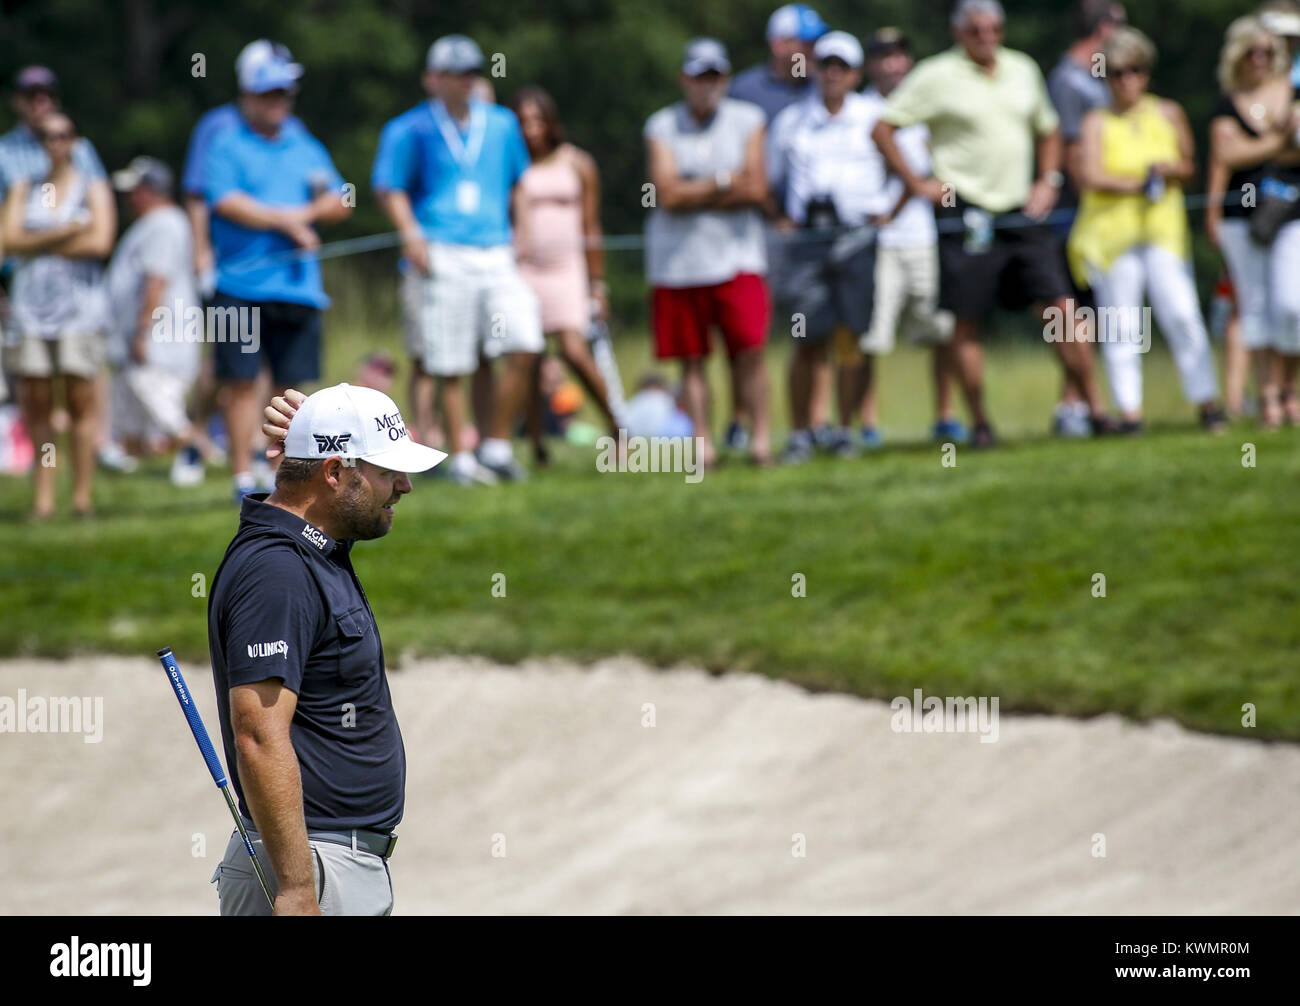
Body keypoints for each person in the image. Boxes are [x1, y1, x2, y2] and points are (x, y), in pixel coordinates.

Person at [208, 382, 446, 915]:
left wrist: (315, 419)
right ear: (336, 473)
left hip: (329, 866)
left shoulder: (311, 549)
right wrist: (296, 888)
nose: (405, 486)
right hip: (311, 869)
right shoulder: (279, 571)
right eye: (388, 473)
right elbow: (258, 734)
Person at [872, 0, 1110, 448]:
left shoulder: (1022, 69)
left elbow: (1049, 128)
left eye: (994, 28)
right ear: (959, 32)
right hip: (966, 210)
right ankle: (981, 423)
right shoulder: (935, 75)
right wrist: (919, 184)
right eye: (977, 29)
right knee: (967, 321)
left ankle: (1094, 408)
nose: (987, 36)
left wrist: (1048, 179)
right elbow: (883, 128)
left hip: (1021, 209)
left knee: (1061, 309)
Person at [372, 34, 543, 485]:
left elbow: (519, 183)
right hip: (441, 248)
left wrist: (523, 234)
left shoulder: (502, 123)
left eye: (472, 72)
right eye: (456, 73)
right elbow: (390, 186)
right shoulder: (410, 127)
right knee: (451, 359)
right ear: (434, 79)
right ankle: (462, 458)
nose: (466, 80)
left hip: (495, 249)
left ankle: (496, 445)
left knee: (523, 341)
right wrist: (410, 233)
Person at [204, 56, 352, 501]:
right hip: (238, 285)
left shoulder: (306, 145)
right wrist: (287, 222)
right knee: (241, 382)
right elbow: (226, 202)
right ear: (247, 97)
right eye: (269, 94)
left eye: (283, 94)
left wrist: (303, 214)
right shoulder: (226, 144)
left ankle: (281, 476)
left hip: (298, 287)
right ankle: (241, 477)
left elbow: (342, 199)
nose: (278, 103)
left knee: (291, 390)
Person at [1067, 28, 1225, 432]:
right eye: (1117, 72)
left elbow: (1190, 165)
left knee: (1183, 315)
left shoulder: (1168, 113)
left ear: (1146, 72)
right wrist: (1141, 181)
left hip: (1161, 233)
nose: (1126, 80)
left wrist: (1168, 170)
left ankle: (1209, 405)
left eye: (1134, 70)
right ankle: (1131, 415)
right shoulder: (1096, 121)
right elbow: (1091, 175)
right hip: (1111, 238)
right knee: (1123, 326)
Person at [645, 38, 772, 467]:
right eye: (700, 77)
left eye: (715, 76)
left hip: (739, 259)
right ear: (685, 79)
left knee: (751, 354)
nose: (707, 85)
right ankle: (704, 446)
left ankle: (761, 441)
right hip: (679, 265)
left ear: (727, 79)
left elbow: (756, 186)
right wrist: (722, 182)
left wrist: (692, 187)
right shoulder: (661, 125)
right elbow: (666, 193)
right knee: (693, 362)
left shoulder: (748, 119)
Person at [768, 30, 889, 461]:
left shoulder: (876, 117)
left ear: (856, 74)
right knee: (805, 337)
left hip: (857, 239)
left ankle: (843, 431)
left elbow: (906, 169)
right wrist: (780, 218)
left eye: (842, 67)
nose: (832, 74)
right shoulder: (791, 121)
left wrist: (887, 208)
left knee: (850, 340)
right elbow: (770, 181)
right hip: (808, 243)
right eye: (826, 65)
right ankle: (801, 433)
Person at [1, 111, 113, 519]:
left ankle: (81, 497)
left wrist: (36, 243)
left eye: (65, 134)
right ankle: (44, 499)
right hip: (30, 311)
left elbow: (101, 241)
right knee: (36, 401)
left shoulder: (90, 186)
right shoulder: (25, 187)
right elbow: (7, 240)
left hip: (79, 311)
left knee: (81, 399)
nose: (56, 142)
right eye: (49, 136)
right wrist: (67, 231)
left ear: (75, 140)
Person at [727, 4, 827, 451]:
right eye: (803, 43)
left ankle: (814, 421)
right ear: (779, 44)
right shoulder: (744, 92)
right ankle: (741, 417)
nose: (811, 51)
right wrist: (774, 214)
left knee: (812, 328)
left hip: (809, 231)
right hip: (754, 229)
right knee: (751, 333)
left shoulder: (821, 85)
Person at [858, 28, 962, 447]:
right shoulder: (858, 110)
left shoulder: (929, 106)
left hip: (925, 236)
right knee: (870, 337)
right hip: (875, 239)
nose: (891, 64)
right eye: (882, 56)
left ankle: (946, 416)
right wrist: (914, 185)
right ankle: (867, 425)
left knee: (941, 330)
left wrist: (930, 189)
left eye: (898, 55)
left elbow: (947, 177)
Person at [511, 85, 620, 460]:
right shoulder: (512, 163)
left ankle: (617, 427)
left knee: (574, 350)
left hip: (567, 269)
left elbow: (591, 225)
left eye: (537, 120)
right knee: (528, 357)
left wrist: (598, 284)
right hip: (524, 268)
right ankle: (537, 443)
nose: (531, 129)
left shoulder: (577, 163)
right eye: (523, 121)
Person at [1207, 15, 1300, 429]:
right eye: (1252, 52)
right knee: (1255, 309)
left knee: (1291, 303)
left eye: (1268, 51)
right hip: (1241, 219)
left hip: (1289, 213)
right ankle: (1268, 399)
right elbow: (1225, 157)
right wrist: (1279, 143)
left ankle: (1290, 390)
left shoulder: (1293, 91)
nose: (1260, 59)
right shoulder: (1227, 102)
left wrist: (1258, 147)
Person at [1047, 0, 1128, 437]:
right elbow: (1072, 152)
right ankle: (1074, 407)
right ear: (1102, 29)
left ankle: (1076, 403)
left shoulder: (1095, 78)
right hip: (1075, 215)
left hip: (1101, 214)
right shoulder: (1069, 81)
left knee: (1091, 312)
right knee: (1073, 309)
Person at [103, 156, 205, 485]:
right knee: (135, 403)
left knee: (157, 397)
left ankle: (196, 451)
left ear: (150, 190)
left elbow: (155, 280)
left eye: (134, 190)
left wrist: (141, 331)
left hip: (159, 333)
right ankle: (130, 461)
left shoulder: (164, 223)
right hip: (152, 332)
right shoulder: (155, 223)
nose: (128, 197)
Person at [730, 4, 828, 121]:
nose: (814, 49)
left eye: (816, 42)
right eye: (806, 43)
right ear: (778, 46)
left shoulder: (824, 86)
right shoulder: (743, 91)